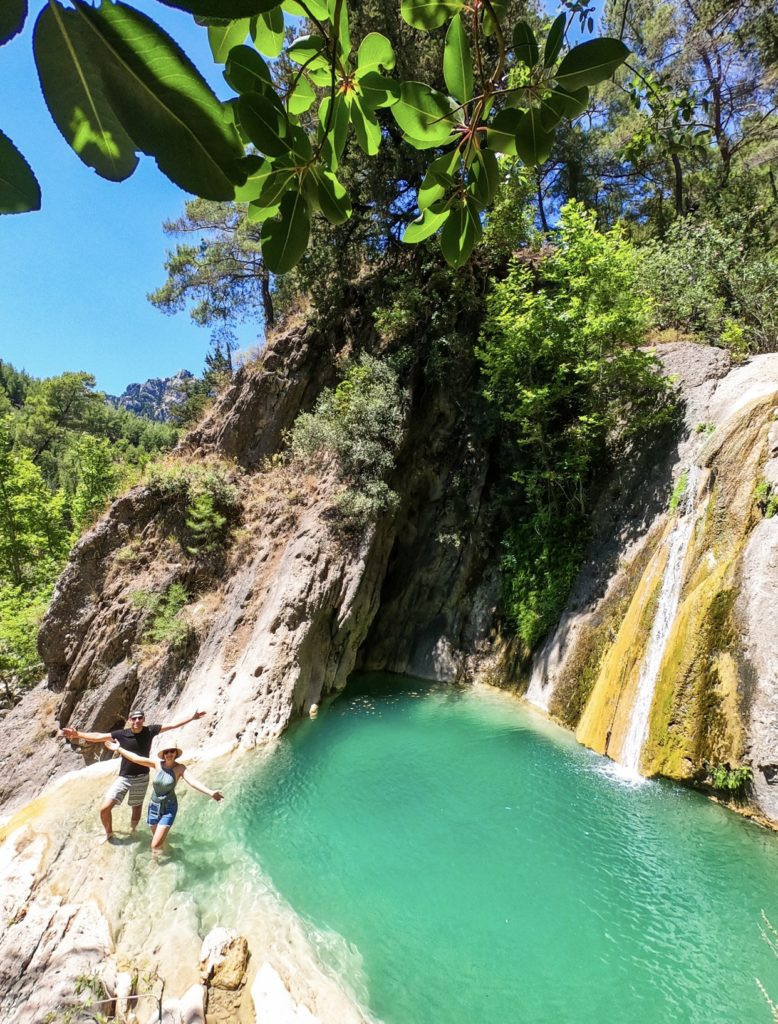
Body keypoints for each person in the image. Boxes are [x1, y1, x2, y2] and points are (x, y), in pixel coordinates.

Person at [61, 708, 206, 842]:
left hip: (142, 777)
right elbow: (98, 736)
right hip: (124, 777)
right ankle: (108, 833)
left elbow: (172, 725)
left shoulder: (150, 731)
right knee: (105, 808)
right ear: (130, 720)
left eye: (140, 718)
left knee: (136, 808)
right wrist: (77, 734)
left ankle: (133, 830)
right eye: (134, 718)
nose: (137, 721)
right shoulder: (121, 734)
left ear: (143, 719)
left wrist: (192, 717)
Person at [104, 737, 223, 853]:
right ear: (163, 754)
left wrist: (210, 792)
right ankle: (170, 852)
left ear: (176, 753)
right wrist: (119, 748)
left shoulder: (180, 768)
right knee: (159, 841)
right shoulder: (157, 764)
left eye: (172, 751)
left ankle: (156, 861)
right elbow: (136, 758)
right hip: (154, 807)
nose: (169, 754)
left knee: (155, 845)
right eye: (166, 752)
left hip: (169, 808)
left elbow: (193, 782)